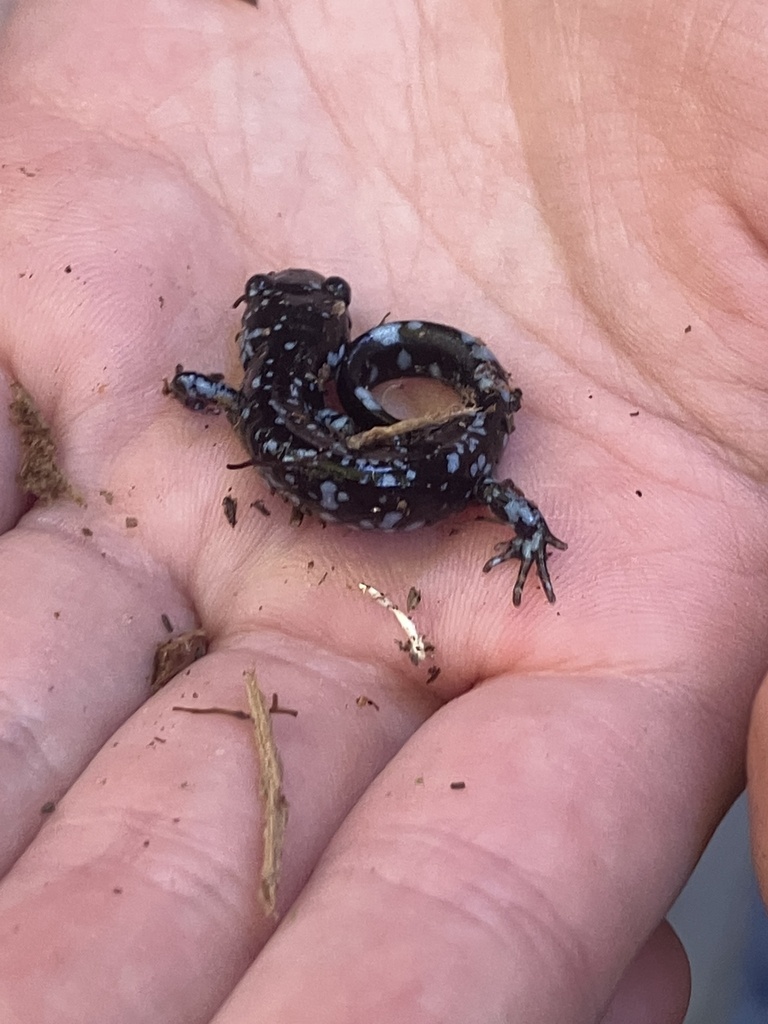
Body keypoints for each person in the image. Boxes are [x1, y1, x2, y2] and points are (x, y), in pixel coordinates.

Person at [0, 2, 765, 1021]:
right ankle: (520, 522)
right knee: (469, 474)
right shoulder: (322, 407)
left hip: (453, 461)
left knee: (465, 470)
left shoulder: (255, 399)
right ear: (316, 357)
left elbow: (199, 388)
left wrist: (187, 389)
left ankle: (520, 518)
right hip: (456, 461)